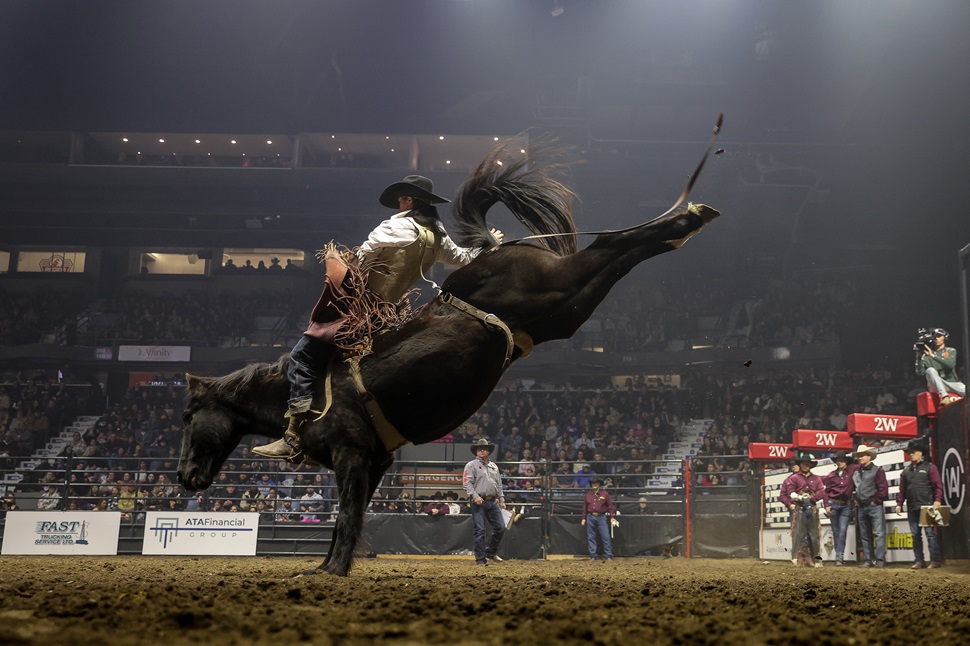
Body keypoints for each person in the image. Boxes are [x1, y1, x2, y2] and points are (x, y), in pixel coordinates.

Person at [254, 175, 502, 460]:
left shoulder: (393, 227)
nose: (398, 203)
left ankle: (293, 435)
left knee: (302, 357)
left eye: (401, 199)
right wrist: (489, 244)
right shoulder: (437, 235)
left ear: (408, 200)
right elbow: (464, 259)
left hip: (358, 313)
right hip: (391, 318)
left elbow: (360, 260)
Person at [895, 440, 944, 569]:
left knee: (929, 534)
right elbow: (902, 490)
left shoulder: (930, 467)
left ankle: (935, 560)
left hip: (927, 505)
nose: (911, 454)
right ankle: (919, 561)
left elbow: (938, 485)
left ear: (921, 453)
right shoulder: (906, 471)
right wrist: (899, 503)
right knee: (915, 535)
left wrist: (937, 500)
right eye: (910, 453)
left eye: (914, 452)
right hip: (913, 506)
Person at [462, 437, 506, 565]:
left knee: (500, 527)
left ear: (488, 451)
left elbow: (499, 484)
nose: (482, 450)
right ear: (476, 451)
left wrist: (501, 499)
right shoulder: (471, 465)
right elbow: (467, 483)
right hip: (479, 501)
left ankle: (490, 552)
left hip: (492, 501)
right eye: (479, 449)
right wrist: (475, 496)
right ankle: (481, 559)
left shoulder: (494, 466)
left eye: (484, 448)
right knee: (480, 530)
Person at [779, 453, 826, 567]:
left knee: (814, 536)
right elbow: (790, 492)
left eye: (807, 464)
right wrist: (799, 498)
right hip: (800, 508)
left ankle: (816, 560)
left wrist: (811, 497)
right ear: (800, 465)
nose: (805, 465)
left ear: (810, 465)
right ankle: (795, 558)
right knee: (798, 535)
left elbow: (821, 492)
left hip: (811, 508)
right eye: (803, 464)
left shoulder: (816, 478)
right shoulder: (794, 478)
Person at [852, 444, 888, 568]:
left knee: (878, 533)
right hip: (862, 506)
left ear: (869, 456)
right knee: (865, 535)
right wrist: (856, 500)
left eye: (862, 455)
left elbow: (883, 489)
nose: (860, 458)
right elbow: (855, 488)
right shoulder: (857, 472)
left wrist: (875, 501)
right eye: (859, 456)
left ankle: (879, 560)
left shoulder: (877, 470)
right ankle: (869, 560)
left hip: (873, 506)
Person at [915, 328, 965, 406]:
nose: (936, 339)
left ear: (944, 337)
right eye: (934, 337)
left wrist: (933, 356)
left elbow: (950, 365)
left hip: (951, 384)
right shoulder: (926, 355)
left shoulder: (950, 351)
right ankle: (945, 397)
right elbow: (920, 373)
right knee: (930, 370)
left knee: (966, 390)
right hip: (935, 385)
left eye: (939, 336)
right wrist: (918, 356)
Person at [822, 452, 854, 566]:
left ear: (846, 462)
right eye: (838, 461)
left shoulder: (851, 472)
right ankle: (839, 556)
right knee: (836, 531)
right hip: (834, 504)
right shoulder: (831, 475)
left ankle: (839, 556)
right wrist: (826, 505)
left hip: (845, 505)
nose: (839, 462)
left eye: (842, 460)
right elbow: (826, 492)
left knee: (842, 530)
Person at [582, 476, 616, 561]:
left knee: (605, 536)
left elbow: (610, 506)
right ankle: (593, 555)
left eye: (596, 483)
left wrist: (612, 516)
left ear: (599, 484)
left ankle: (608, 555)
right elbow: (585, 507)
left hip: (601, 517)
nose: (594, 484)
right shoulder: (588, 495)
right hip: (590, 516)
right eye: (593, 483)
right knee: (591, 537)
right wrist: (583, 518)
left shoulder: (605, 494)